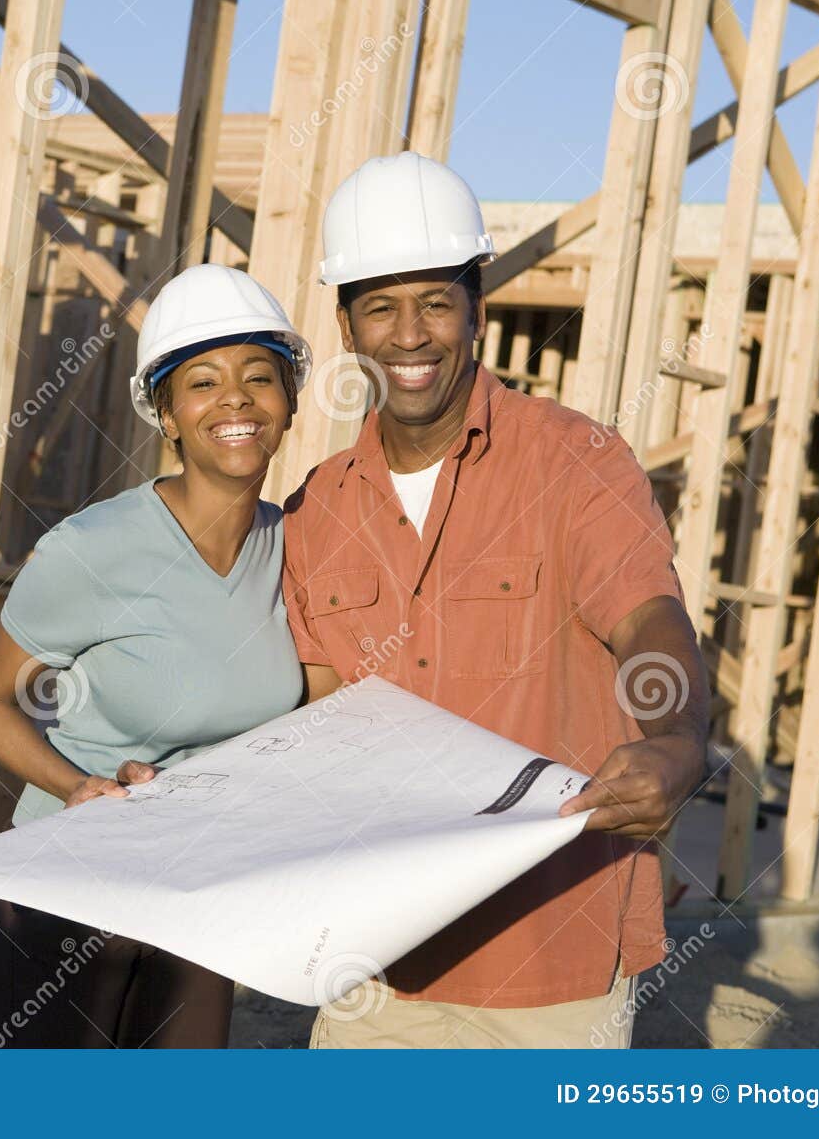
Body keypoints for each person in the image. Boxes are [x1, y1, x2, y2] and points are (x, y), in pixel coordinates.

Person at [284, 151, 710, 1048]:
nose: (411, 335)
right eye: (380, 307)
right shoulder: (318, 508)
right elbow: (317, 716)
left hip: (549, 954)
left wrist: (677, 738)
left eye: (436, 302)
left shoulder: (575, 461)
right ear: (346, 324)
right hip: (373, 960)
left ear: (477, 307)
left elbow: (646, 616)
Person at [0, 263, 312, 1048]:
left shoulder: (295, 546)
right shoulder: (95, 548)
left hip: (195, 888)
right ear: (167, 415)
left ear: (289, 402)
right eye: (203, 383)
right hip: (67, 885)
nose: (236, 400)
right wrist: (75, 786)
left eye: (259, 377)